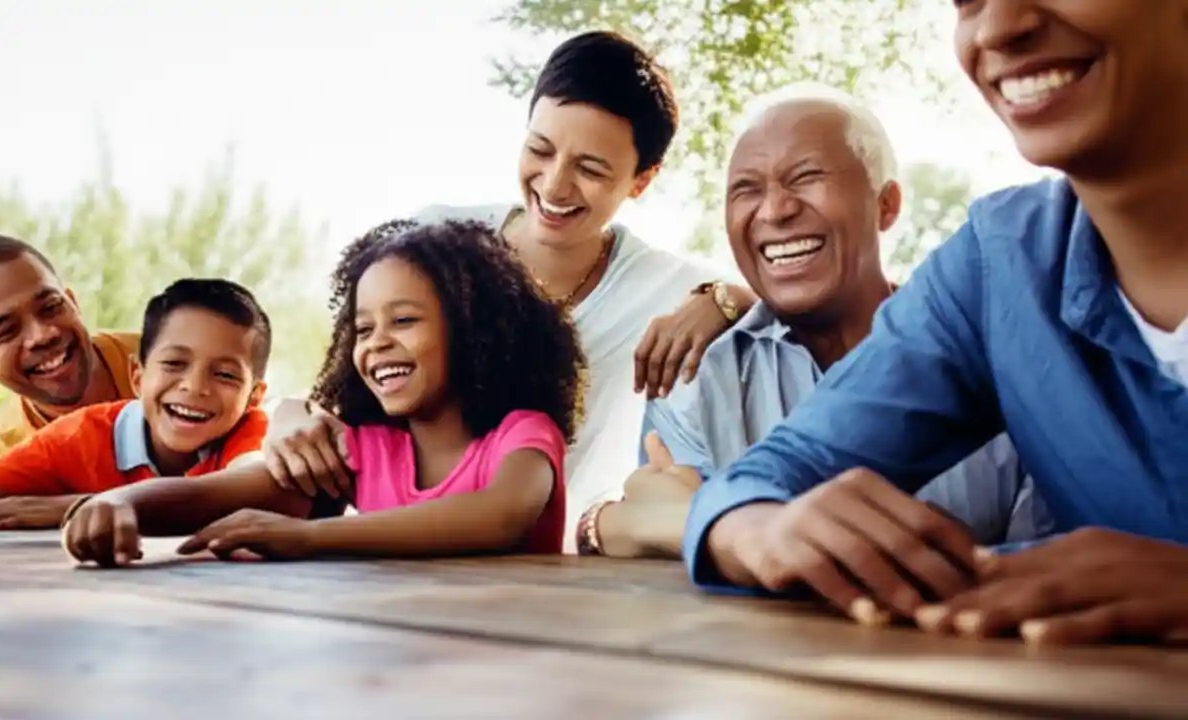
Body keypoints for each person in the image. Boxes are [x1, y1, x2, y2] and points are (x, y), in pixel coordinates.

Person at [689, 0, 1188, 645]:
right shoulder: (998, 265)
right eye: (967, 1)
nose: (1001, 27)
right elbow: (768, 477)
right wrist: (760, 528)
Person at [263, 31, 756, 546]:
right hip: (392, 548)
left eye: (590, 169)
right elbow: (352, 384)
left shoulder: (661, 286)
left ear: (641, 180)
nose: (555, 184)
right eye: (539, 149)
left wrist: (726, 301)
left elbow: (778, 299)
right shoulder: (433, 244)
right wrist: (290, 414)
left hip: (538, 568)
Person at [579, 86, 1046, 560]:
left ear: (886, 205)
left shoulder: (1001, 370)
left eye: (806, 178)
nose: (776, 209)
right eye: (747, 189)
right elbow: (677, 556)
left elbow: (1050, 565)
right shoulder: (695, 379)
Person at [61, 220, 584, 565]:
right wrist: (119, 501)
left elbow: (499, 517)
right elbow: (221, 493)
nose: (377, 343)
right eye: (362, 329)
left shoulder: (523, 435)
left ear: (476, 329)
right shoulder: (367, 450)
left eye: (403, 320)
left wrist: (311, 538)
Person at [0, 278, 271, 530]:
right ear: (138, 377)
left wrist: (88, 505)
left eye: (225, 375)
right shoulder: (76, 437)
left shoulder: (252, 429)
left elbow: (255, 489)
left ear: (254, 396)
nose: (195, 387)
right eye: (174, 364)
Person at [0, 234, 139, 470]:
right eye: (7, 331)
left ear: (73, 302)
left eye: (51, 307)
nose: (43, 335)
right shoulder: (1, 461)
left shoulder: (168, 361)